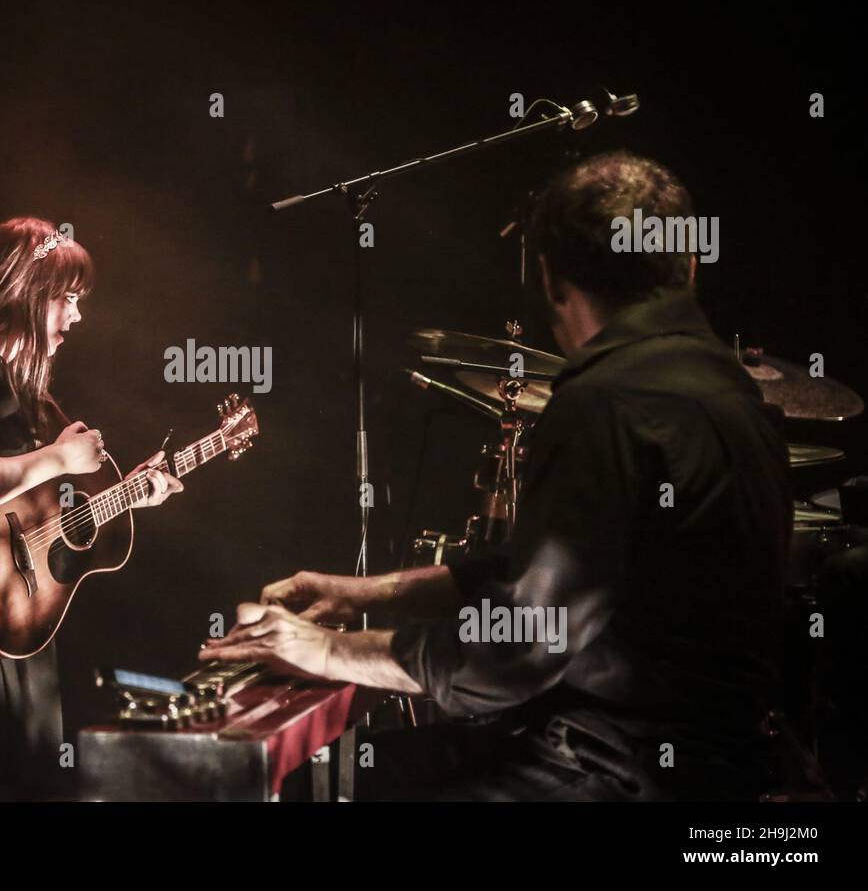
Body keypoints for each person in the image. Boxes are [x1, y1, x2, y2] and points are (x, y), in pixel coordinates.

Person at [202, 152, 792, 800]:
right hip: (718, 752)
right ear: (689, 264)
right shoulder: (734, 393)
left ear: (551, 279)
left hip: (626, 764)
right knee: (366, 774)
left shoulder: (605, 399)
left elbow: (519, 649)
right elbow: (564, 572)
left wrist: (327, 652)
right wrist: (362, 595)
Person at [0, 216, 181, 798]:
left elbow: (36, 512)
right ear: (26, 294)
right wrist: (58, 459)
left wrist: (130, 491)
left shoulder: (14, 385)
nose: (76, 317)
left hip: (8, 629)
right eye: (67, 299)